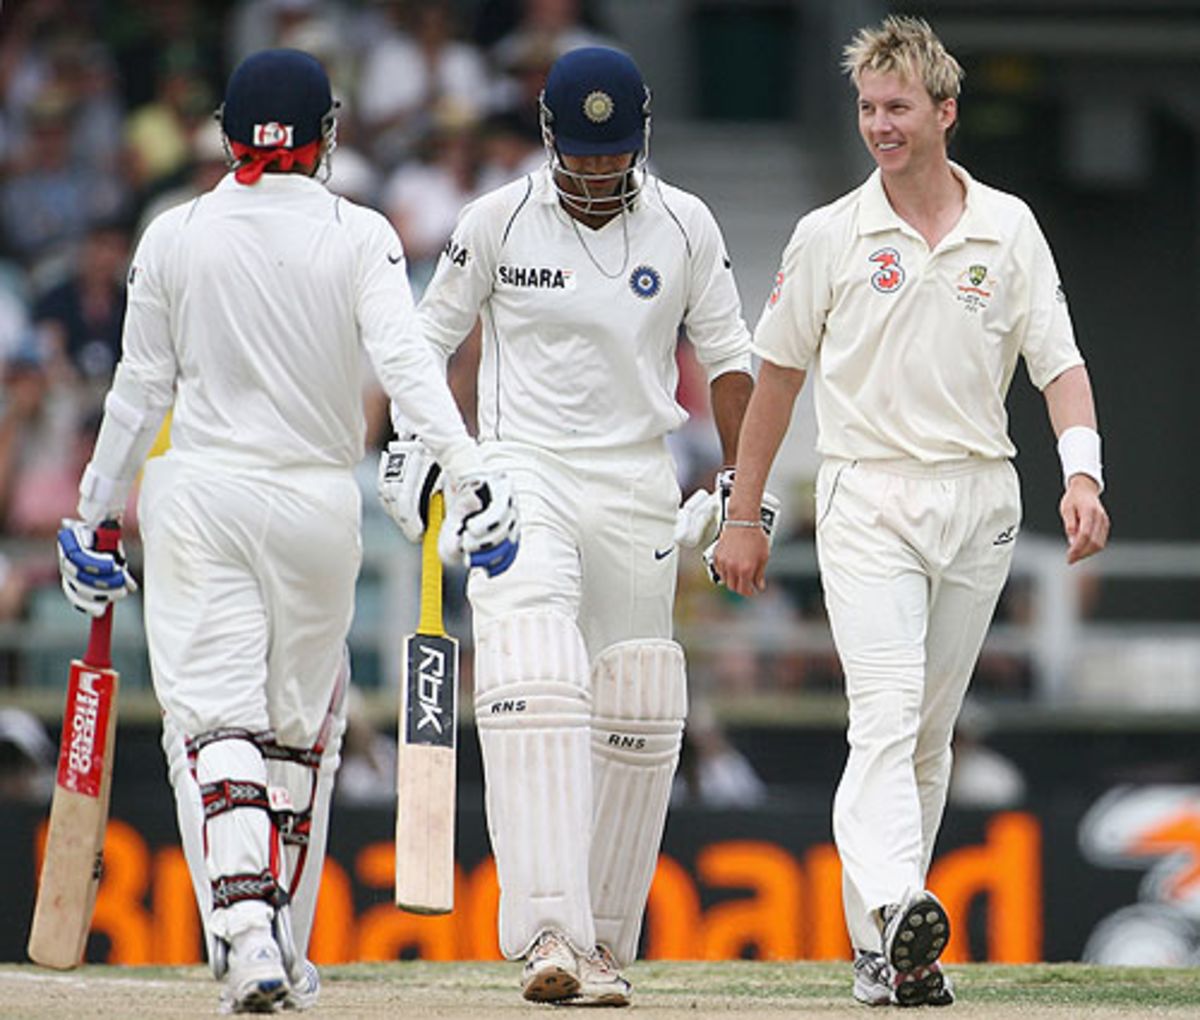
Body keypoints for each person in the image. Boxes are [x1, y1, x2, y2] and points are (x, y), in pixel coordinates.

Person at [54, 48, 518, 1014]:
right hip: (316, 505)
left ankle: (247, 934)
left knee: (216, 726)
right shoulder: (362, 234)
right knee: (298, 739)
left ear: (227, 137)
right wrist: (472, 472)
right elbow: (407, 366)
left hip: (201, 499)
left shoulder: (172, 233)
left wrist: (93, 512)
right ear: (326, 136)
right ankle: (275, 945)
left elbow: (138, 392)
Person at [712, 15, 1109, 1008]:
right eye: (867, 109)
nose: (880, 126)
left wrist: (1083, 477)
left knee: (928, 736)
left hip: (979, 499)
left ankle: (885, 959)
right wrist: (744, 514)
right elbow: (776, 379)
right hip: (867, 493)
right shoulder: (829, 234)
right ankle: (897, 906)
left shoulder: (1008, 227)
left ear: (945, 111)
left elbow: (1059, 364)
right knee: (884, 716)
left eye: (897, 108)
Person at [377, 45, 764, 1006]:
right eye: (582, 154)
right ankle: (548, 931)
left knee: (640, 700)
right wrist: (415, 446)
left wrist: (743, 490)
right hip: (522, 469)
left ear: (642, 138)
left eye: (614, 152)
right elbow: (424, 341)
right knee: (536, 672)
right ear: (549, 138)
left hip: (637, 477)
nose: (598, 171)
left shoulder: (685, 223)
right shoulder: (496, 219)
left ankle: (601, 946)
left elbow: (730, 358)